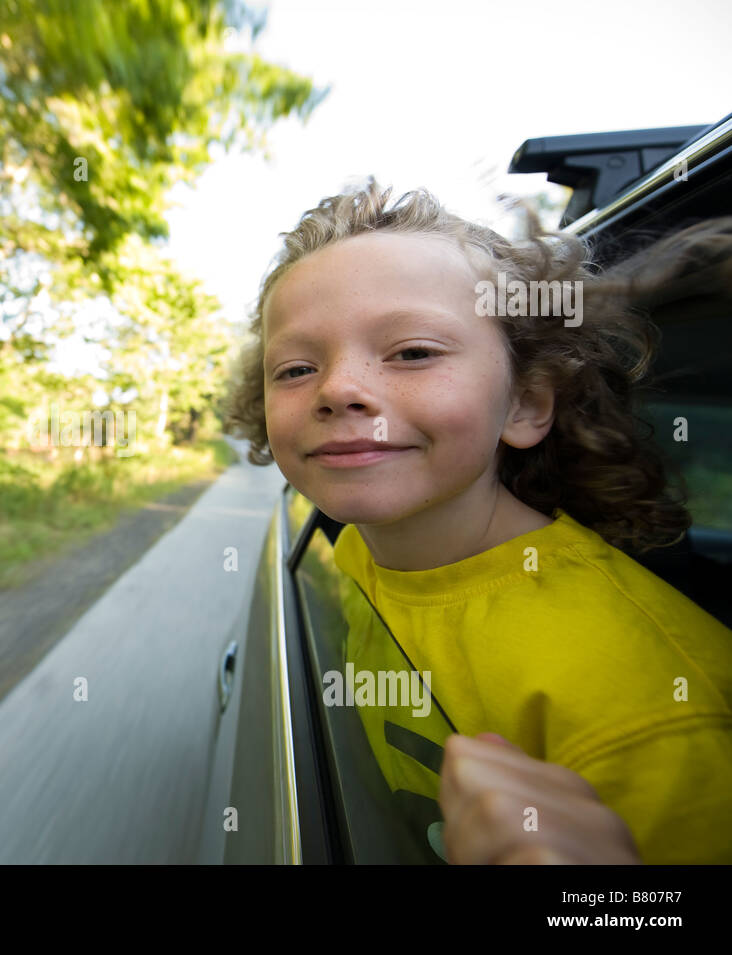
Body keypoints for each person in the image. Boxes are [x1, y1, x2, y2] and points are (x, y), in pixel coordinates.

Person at [223, 177, 732, 864]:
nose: (337, 387)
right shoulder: (358, 552)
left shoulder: (651, 711)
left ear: (524, 404)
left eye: (413, 352)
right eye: (294, 368)